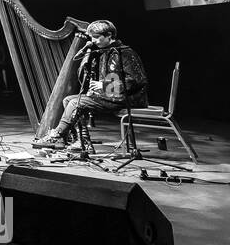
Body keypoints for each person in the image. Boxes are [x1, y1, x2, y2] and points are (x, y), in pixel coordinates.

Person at [33, 19, 149, 150]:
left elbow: (136, 80)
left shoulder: (125, 53)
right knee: (68, 100)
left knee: (76, 103)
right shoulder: (101, 52)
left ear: (109, 35)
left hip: (126, 99)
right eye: (91, 38)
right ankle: (82, 141)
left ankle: (58, 135)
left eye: (96, 37)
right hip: (108, 97)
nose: (93, 41)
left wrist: (104, 86)